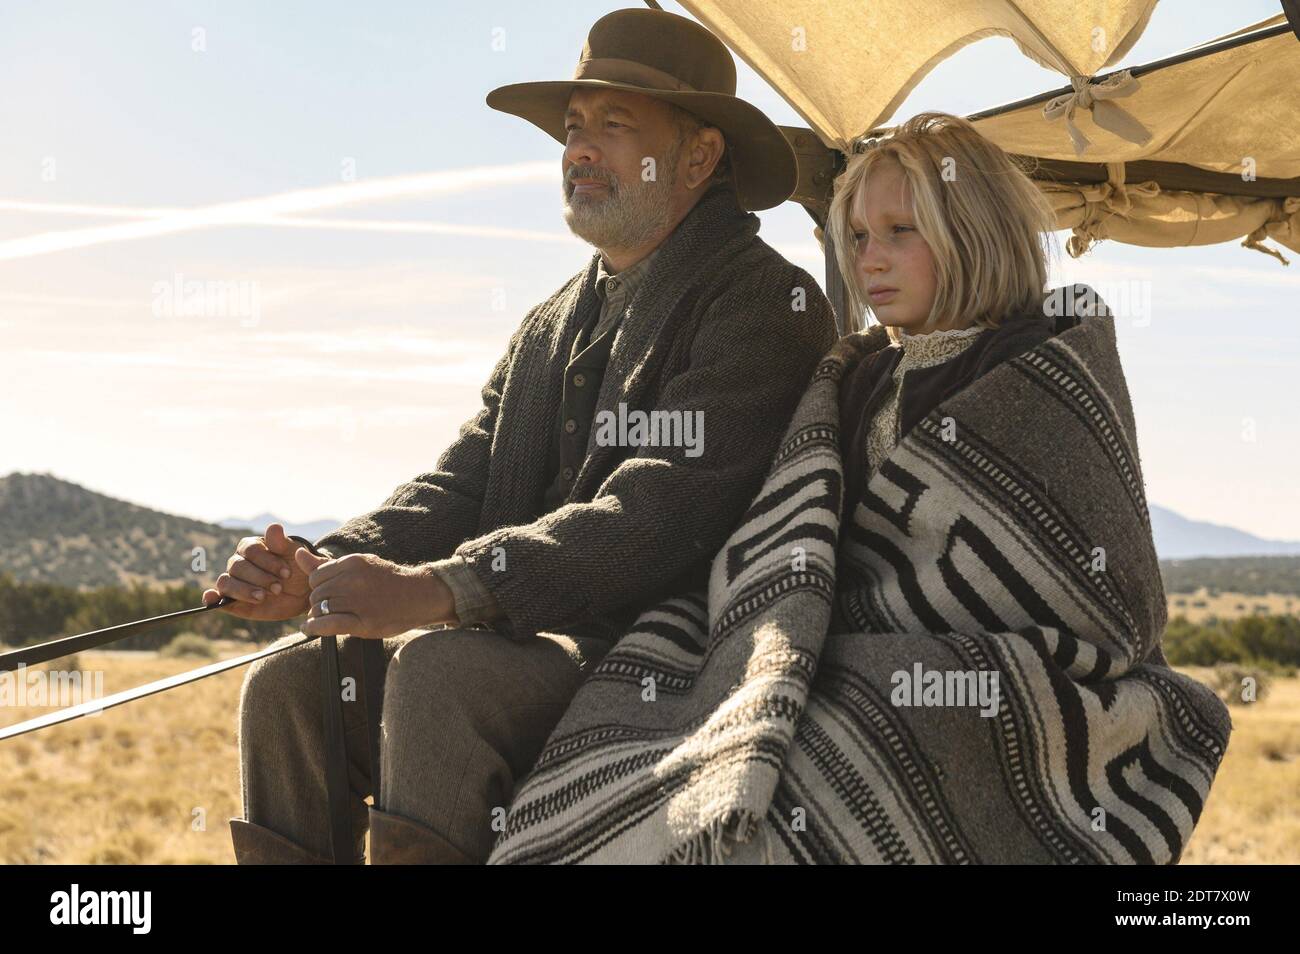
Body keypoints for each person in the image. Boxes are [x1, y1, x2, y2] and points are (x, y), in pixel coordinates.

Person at [487, 112, 1232, 865]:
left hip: (1019, 668)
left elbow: (1099, 593)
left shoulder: (1048, 361)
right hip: (841, 643)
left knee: (862, 722)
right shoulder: (853, 378)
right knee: (651, 681)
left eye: (900, 232)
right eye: (859, 239)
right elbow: (791, 536)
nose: (871, 260)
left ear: (973, 231)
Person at [211, 7, 837, 864]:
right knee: (288, 684)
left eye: (615, 125)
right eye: (574, 128)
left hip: (668, 656)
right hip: (527, 643)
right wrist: (319, 567)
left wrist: (445, 590)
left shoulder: (764, 302)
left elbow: (654, 515)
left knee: (439, 676)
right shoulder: (550, 322)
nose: (580, 148)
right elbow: (459, 487)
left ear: (699, 155)